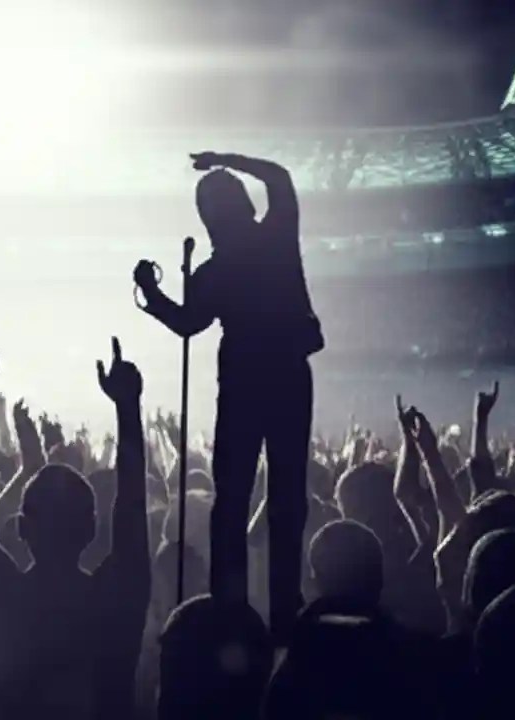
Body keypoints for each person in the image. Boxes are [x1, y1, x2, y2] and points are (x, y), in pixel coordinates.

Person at [135, 152, 324, 640]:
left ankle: (229, 603)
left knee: (231, 497)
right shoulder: (277, 236)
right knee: (286, 491)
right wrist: (226, 159)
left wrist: (149, 294)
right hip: (287, 374)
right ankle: (285, 605)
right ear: (243, 201)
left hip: (241, 383)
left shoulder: (213, 273)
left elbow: (187, 323)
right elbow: (280, 175)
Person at [0, 329, 150, 720]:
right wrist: (128, 408)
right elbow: (131, 508)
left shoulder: (2, 599)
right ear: (92, 530)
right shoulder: (114, 600)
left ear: (22, 529)